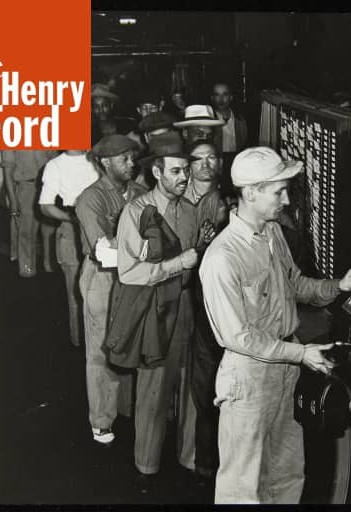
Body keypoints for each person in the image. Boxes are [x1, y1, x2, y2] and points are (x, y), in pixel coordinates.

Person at [199, 146, 351, 504]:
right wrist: (301, 352)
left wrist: (338, 286)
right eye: (278, 191)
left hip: (285, 368)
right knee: (242, 486)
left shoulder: (272, 234)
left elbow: (295, 286)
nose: (287, 199)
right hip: (249, 377)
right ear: (250, 193)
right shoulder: (221, 259)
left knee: (287, 472)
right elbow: (238, 336)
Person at [116, 131, 212, 492]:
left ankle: (188, 458)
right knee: (154, 389)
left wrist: (202, 249)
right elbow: (129, 273)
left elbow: (193, 261)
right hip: (155, 309)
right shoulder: (136, 213)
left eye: (185, 170)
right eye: (175, 171)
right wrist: (177, 264)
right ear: (156, 172)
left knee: (191, 388)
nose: (184, 177)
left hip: (188, 306)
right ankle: (147, 465)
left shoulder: (189, 210)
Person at [75, 135, 147, 445]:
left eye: (132, 158)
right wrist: (144, 248)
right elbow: (102, 250)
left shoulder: (141, 193)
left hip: (134, 278)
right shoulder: (90, 198)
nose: (131, 164)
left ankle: (125, 407)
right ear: (105, 162)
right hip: (103, 278)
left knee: (130, 343)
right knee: (101, 350)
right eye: (124, 159)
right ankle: (101, 420)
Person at [183, 141, 228, 486]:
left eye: (211, 157)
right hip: (186, 294)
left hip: (207, 300)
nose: (205, 165)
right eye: (197, 159)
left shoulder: (223, 200)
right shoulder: (181, 199)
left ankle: (200, 462)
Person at [38, 150, 100, 347]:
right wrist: (72, 218)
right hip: (71, 228)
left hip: (99, 227)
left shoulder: (96, 157)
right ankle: (79, 345)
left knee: (99, 290)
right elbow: (45, 205)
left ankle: (97, 346)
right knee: (75, 292)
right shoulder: (55, 165)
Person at [1, 150, 57, 277]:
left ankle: (49, 267)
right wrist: (13, 200)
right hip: (26, 187)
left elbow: (55, 159)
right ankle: (27, 270)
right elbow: (7, 172)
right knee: (26, 232)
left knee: (49, 230)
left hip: (49, 186)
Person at [211, 82, 249, 199]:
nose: (221, 99)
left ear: (231, 97)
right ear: (212, 98)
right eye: (217, 95)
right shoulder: (209, 121)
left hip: (235, 162)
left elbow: (244, 143)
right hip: (216, 163)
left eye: (225, 94)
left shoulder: (240, 120)